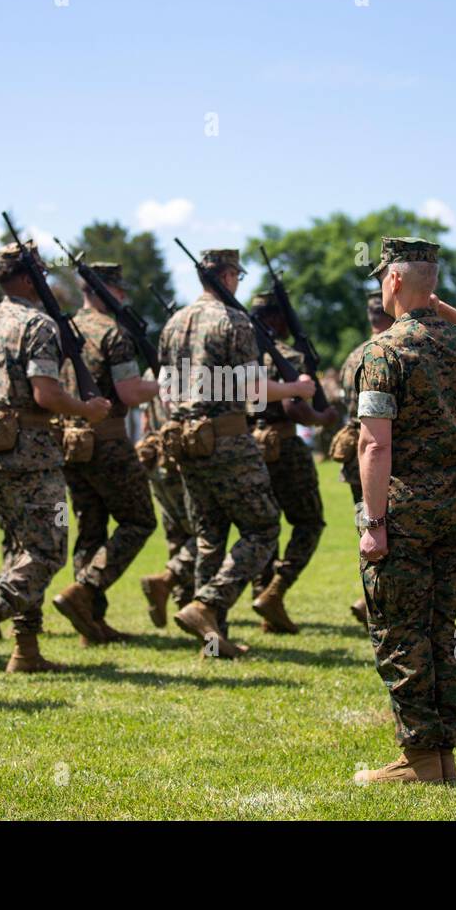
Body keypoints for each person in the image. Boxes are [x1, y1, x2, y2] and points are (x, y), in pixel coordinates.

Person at [352, 237, 456, 785]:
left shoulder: (382, 353)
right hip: (455, 511)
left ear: (391, 282)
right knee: (441, 632)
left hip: (406, 514)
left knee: (399, 633)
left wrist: (374, 522)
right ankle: (443, 757)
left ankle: (420, 761)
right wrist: (433, 301)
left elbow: (374, 446)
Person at [0, 241, 109, 677]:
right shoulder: (39, 325)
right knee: (49, 551)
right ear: (25, 277)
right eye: (40, 272)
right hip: (34, 457)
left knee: (22, 550)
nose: (47, 280)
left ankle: (26, 650)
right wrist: (87, 409)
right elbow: (45, 394)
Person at [158, 248, 314, 658]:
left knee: (210, 537)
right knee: (262, 528)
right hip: (226, 438)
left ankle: (214, 642)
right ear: (227, 276)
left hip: (184, 440)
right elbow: (252, 390)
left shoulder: (173, 324)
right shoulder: (234, 321)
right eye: (237, 277)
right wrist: (297, 388)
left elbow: (166, 389)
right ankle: (207, 604)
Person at [52, 262, 159, 645]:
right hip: (108, 439)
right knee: (140, 520)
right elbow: (129, 391)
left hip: (69, 442)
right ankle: (84, 589)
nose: (125, 297)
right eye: (120, 290)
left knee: (90, 527)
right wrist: (160, 385)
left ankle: (91, 624)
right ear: (106, 290)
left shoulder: (60, 331)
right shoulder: (113, 333)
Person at [246, 292, 337, 634]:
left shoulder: (242, 356)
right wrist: (322, 418)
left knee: (264, 524)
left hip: (248, 446)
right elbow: (294, 407)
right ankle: (275, 591)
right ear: (273, 318)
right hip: (283, 445)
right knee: (309, 522)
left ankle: (264, 597)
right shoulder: (287, 356)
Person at [335, 289, 393, 626]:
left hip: (354, 453)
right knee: (384, 530)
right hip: (379, 454)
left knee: (366, 525)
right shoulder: (387, 352)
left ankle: (368, 595)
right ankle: (372, 597)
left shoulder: (352, 357)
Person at [136, 366, 197, 626]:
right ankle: (167, 581)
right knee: (204, 533)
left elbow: (146, 421)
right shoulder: (190, 370)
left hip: (155, 460)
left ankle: (184, 603)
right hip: (181, 462)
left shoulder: (152, 372)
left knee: (177, 534)